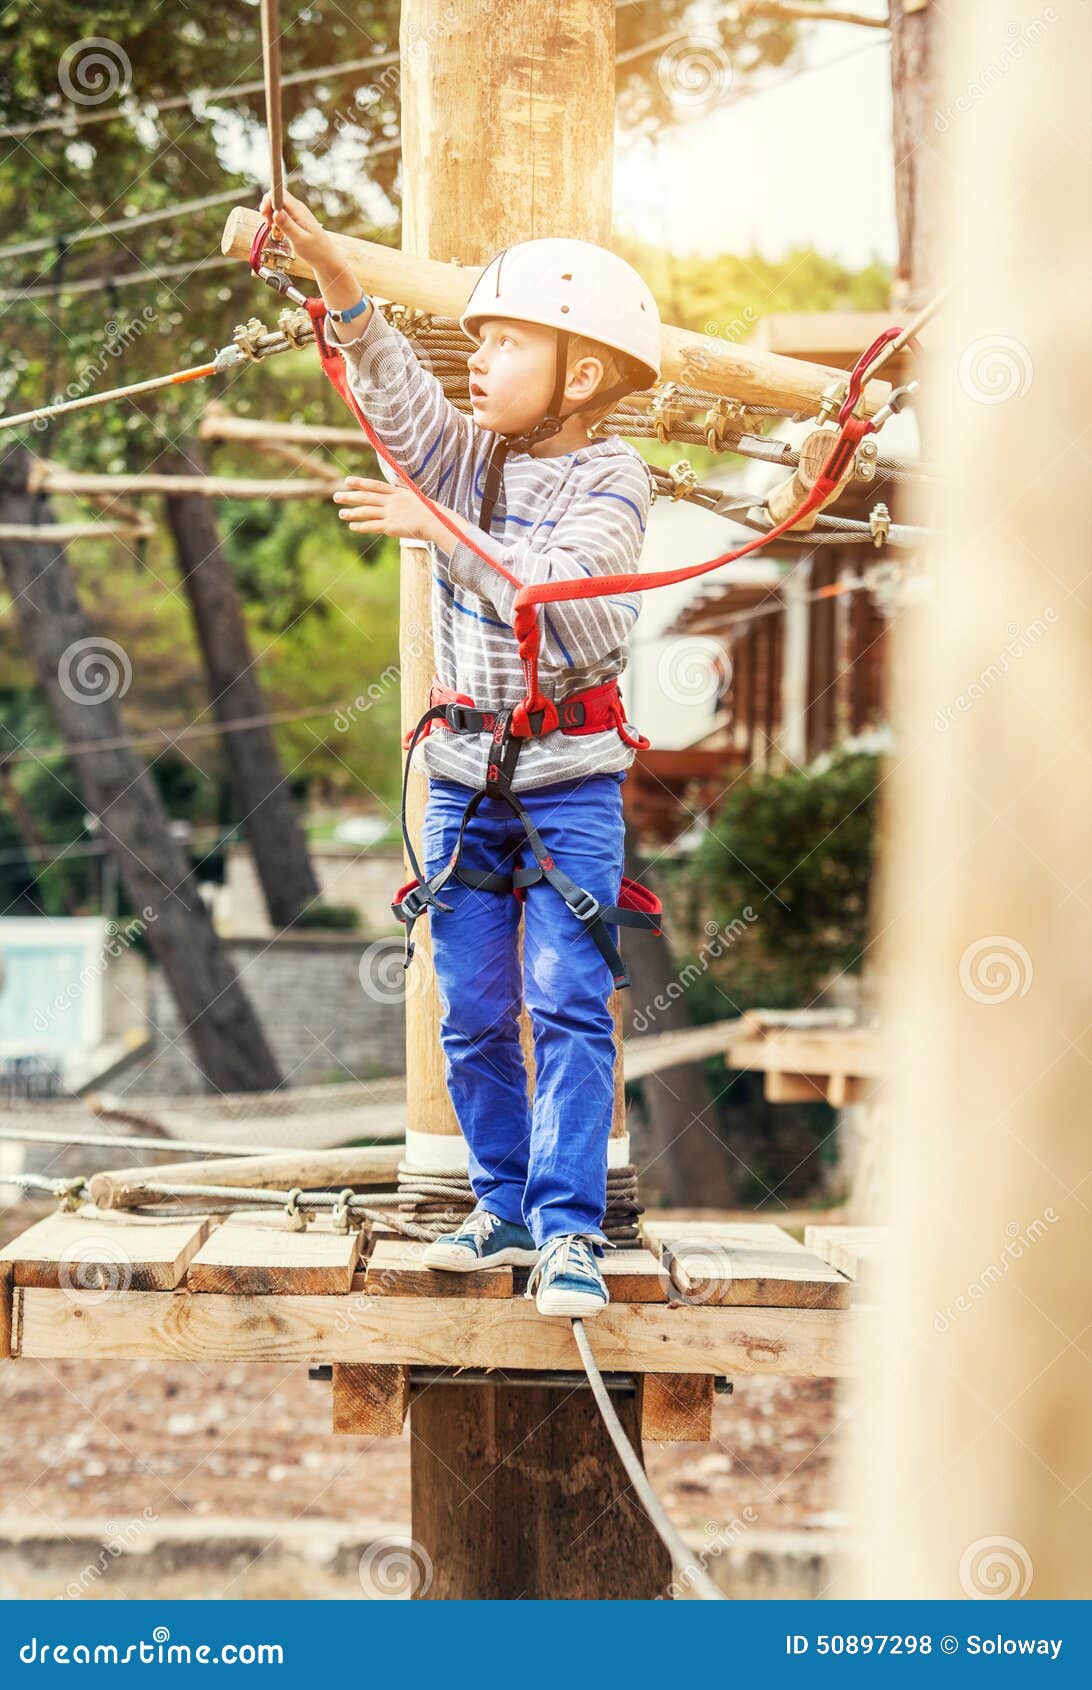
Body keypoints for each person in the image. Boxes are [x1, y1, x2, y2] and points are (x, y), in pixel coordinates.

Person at [260, 190, 661, 1317]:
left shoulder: (610, 482)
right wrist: (335, 273)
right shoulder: (465, 455)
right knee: (475, 1007)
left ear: (581, 376)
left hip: (570, 790)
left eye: (505, 340)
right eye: (478, 338)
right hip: (463, 782)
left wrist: (439, 528)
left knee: (569, 998)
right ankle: (505, 1204)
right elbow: (391, 386)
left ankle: (572, 1231)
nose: (476, 359)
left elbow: (572, 610)